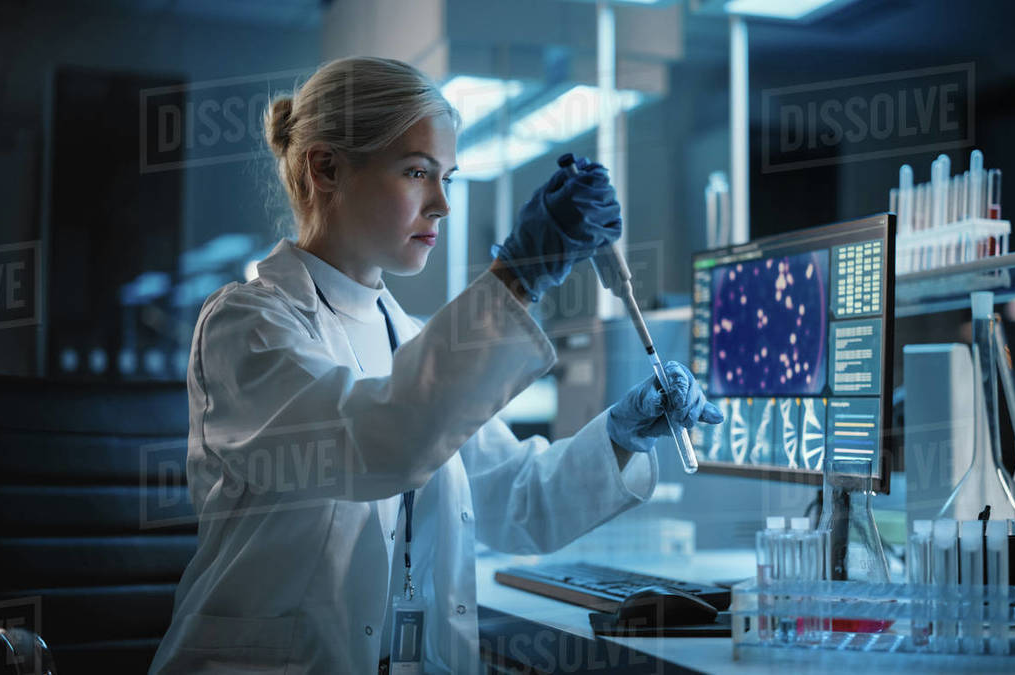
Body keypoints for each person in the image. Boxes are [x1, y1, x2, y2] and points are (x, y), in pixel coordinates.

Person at [149, 56, 722, 674]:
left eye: (448, 175)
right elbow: (378, 443)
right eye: (418, 172)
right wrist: (517, 278)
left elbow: (516, 500)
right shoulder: (247, 327)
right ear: (327, 167)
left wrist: (618, 436)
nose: (443, 204)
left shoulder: (409, 340)